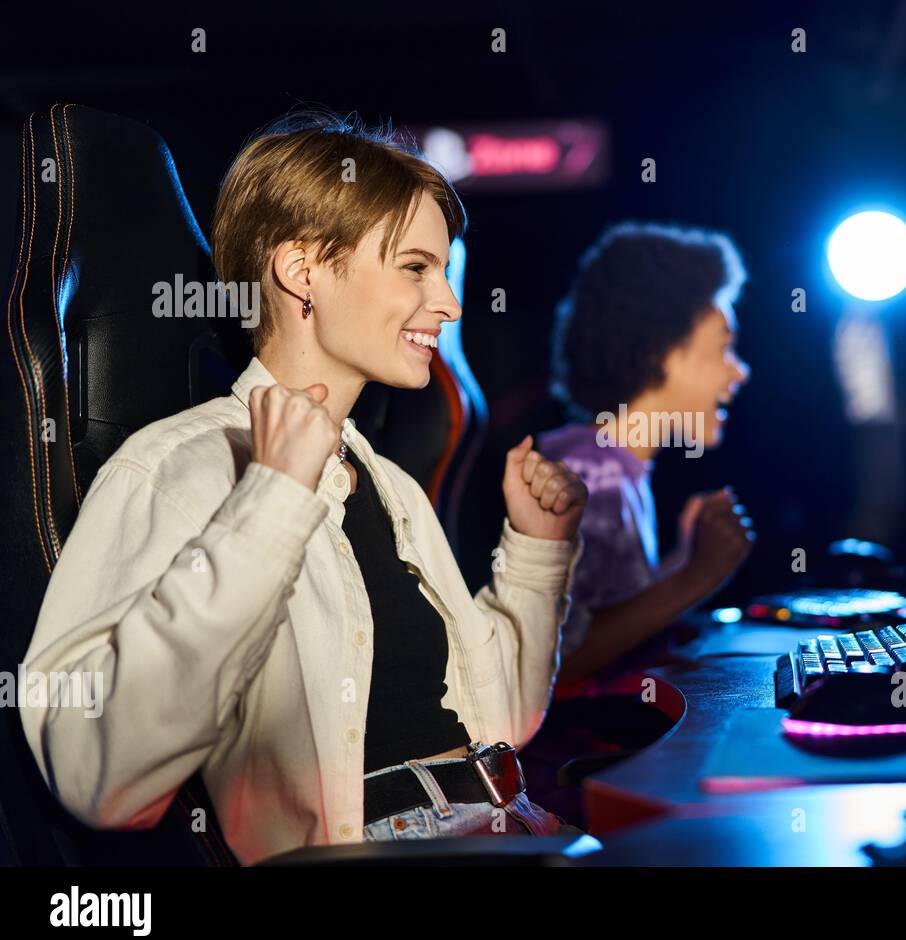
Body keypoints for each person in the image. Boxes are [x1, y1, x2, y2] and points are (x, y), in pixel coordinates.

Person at [19, 112, 589, 864]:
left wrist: (537, 553)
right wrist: (272, 504)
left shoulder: (389, 485)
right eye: (417, 268)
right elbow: (94, 770)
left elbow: (501, 721)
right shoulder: (175, 466)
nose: (449, 304)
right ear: (302, 271)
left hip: (505, 819)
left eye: (444, 271)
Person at [540, 222, 755, 684]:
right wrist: (697, 575)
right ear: (661, 351)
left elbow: (609, 616)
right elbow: (554, 658)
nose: (739, 373)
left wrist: (681, 560)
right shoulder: (590, 473)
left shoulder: (612, 466)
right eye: (724, 348)